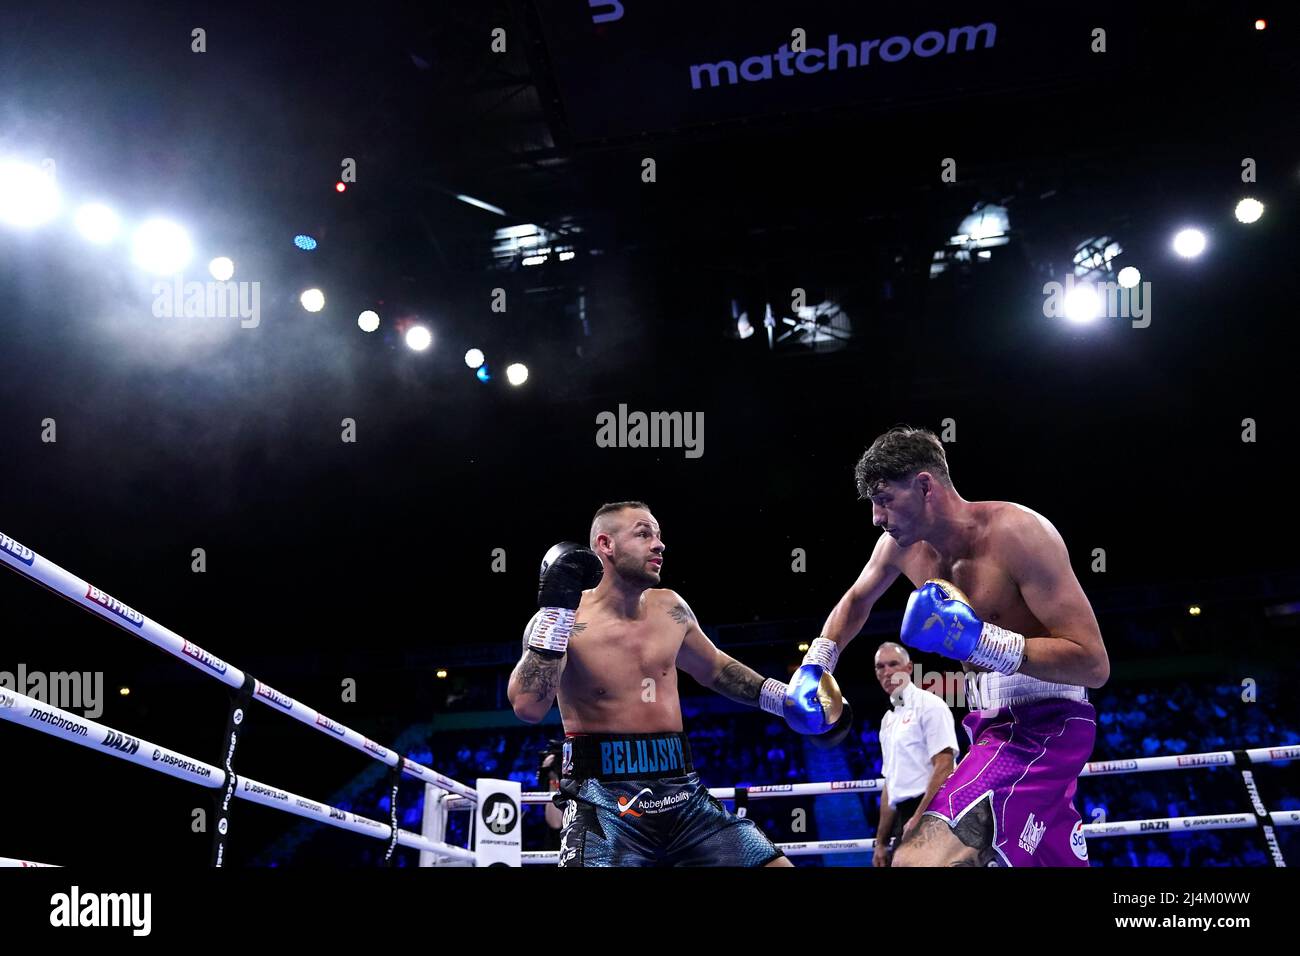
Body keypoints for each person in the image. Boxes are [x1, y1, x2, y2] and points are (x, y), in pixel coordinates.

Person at [800, 426, 1108, 866]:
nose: (876, 517)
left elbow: (1093, 664)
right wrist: (817, 663)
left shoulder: (1018, 533)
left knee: (917, 862)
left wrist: (980, 640)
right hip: (987, 720)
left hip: (1045, 722)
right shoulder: (899, 548)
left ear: (925, 485)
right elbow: (856, 599)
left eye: (885, 499)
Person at [507, 501, 851, 866]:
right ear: (605, 544)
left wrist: (784, 700)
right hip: (603, 802)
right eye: (643, 534)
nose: (659, 545)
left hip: (684, 796)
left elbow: (716, 668)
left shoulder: (670, 607)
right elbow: (528, 705)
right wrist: (554, 616)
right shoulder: (566, 619)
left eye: (658, 535)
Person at [871, 641, 958, 867]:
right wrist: (880, 842)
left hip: (934, 812)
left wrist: (920, 817)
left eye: (893, 664)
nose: (887, 672)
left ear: (909, 668)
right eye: (881, 667)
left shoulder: (930, 705)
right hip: (905, 816)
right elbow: (891, 784)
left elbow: (945, 765)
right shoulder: (888, 721)